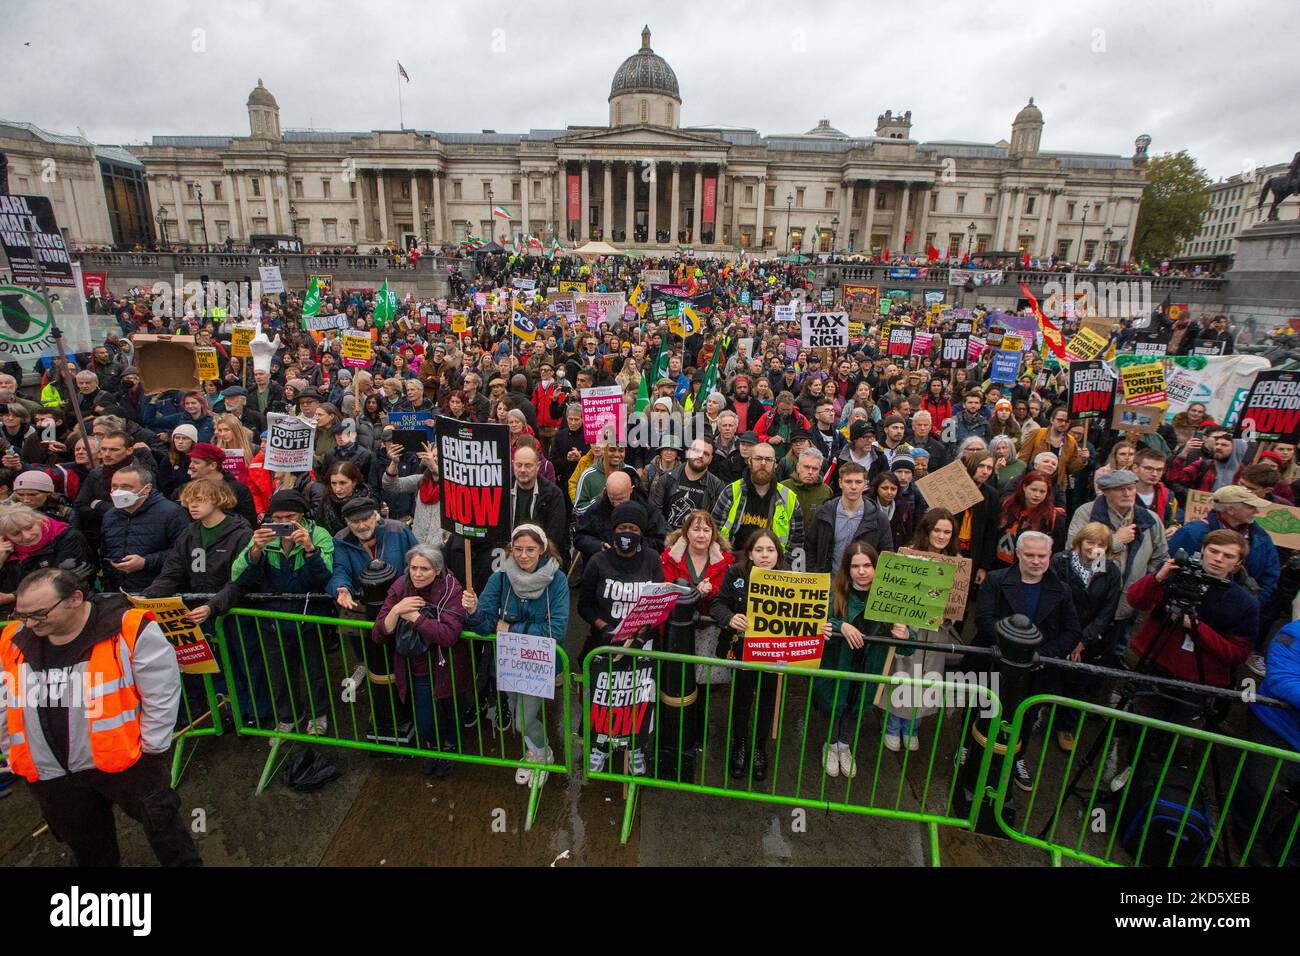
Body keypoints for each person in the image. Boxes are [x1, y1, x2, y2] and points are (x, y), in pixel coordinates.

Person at [0, 568, 202, 866]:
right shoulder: (12, 638)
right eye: (23, 614)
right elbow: (4, 699)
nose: (30, 623)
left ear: (75, 598)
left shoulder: (128, 629)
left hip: (127, 762)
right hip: (50, 772)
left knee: (164, 829)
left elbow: (161, 692)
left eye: (40, 614)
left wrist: (153, 747)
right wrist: (10, 748)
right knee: (88, 848)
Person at [976, 530, 1082, 790]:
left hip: (1038, 669)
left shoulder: (1062, 590)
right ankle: (969, 750)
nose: (1037, 561)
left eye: (1042, 556)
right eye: (1031, 555)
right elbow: (984, 619)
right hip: (998, 663)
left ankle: (1016, 759)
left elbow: (1072, 631)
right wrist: (1013, 651)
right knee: (982, 709)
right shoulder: (997, 580)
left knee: (1026, 716)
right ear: (1019, 554)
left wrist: (1042, 655)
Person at [462, 525, 569, 782]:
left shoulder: (557, 580)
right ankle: (533, 752)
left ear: (542, 549)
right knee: (513, 705)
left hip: (538, 665)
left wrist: (511, 627)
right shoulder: (500, 578)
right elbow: (485, 622)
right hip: (508, 663)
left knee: (522, 720)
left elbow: (557, 628)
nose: (523, 555)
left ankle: (545, 754)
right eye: (518, 549)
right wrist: (474, 611)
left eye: (530, 549)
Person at [230, 490, 335, 732]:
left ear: (302, 514)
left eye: (290, 515)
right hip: (273, 619)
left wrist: (309, 549)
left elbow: (323, 576)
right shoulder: (264, 537)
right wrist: (255, 550)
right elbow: (239, 576)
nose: (284, 522)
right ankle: (288, 717)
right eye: (277, 518)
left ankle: (318, 715)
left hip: (310, 617)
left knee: (314, 671)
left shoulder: (319, 535)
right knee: (278, 672)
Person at [579, 501, 665, 775]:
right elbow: (584, 605)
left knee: (637, 700)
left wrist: (640, 635)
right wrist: (605, 628)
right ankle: (601, 745)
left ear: (641, 532)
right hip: (605, 644)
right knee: (605, 699)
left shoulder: (652, 559)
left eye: (633, 528)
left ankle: (636, 747)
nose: (627, 533)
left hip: (641, 644)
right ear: (614, 530)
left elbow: (658, 603)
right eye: (622, 528)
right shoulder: (598, 561)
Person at [814, 541, 911, 776]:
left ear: (876, 567)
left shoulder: (889, 599)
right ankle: (830, 745)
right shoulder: (834, 594)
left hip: (869, 667)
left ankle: (844, 747)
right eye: (856, 566)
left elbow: (908, 648)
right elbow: (817, 621)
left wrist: (905, 635)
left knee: (855, 709)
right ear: (847, 569)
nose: (862, 571)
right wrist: (841, 626)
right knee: (834, 706)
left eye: (867, 565)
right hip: (838, 664)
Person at [373, 544, 468, 777]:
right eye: (413, 567)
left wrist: (415, 618)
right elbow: (378, 633)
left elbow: (448, 635)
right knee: (425, 720)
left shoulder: (451, 589)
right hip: (417, 670)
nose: (417, 574)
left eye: (424, 569)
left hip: (448, 667)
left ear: (437, 570)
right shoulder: (400, 586)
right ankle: (430, 750)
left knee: (451, 714)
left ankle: (449, 751)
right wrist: (396, 611)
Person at [708, 528, 787, 782]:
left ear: (778, 553)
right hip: (743, 651)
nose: (765, 555)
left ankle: (759, 748)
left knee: (767, 701)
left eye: (770, 550)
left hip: (775, 654)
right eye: (759, 550)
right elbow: (717, 604)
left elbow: (807, 613)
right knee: (742, 699)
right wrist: (730, 618)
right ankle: (740, 744)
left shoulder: (790, 579)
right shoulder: (736, 573)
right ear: (750, 553)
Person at [1066, 469, 1169, 650]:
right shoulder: (1087, 513)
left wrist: (1142, 586)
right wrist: (1115, 541)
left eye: (1130, 488)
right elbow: (1073, 553)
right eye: (1119, 489)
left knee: (1116, 647)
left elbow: (1160, 557)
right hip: (1089, 603)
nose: (1127, 493)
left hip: (1128, 603)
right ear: (1105, 492)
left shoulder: (1149, 519)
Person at [1048, 521, 1122, 739]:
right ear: (1079, 542)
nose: (1094, 548)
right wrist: (1068, 638)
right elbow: (1052, 599)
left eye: (1101, 544)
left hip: (1089, 639)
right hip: (1058, 632)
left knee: (1078, 684)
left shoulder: (1110, 572)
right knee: (1049, 678)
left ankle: (1065, 727)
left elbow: (1106, 612)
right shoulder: (1060, 562)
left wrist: (1083, 641)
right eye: (1090, 542)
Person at [1168, 484, 1279, 615]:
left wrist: (1252, 603)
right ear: (1231, 510)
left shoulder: (1260, 537)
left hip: (1235, 613)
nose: (1256, 511)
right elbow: (1171, 567)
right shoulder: (1194, 532)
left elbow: (1270, 575)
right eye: (1250, 507)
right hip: (1192, 609)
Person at [661, 510, 735, 685]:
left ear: (713, 533)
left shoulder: (726, 561)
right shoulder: (670, 557)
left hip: (709, 630)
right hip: (676, 630)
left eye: (706, 530)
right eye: (696, 529)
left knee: (703, 684)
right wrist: (690, 592)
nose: (701, 535)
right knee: (676, 681)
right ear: (686, 532)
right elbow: (663, 589)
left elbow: (730, 597)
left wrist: (712, 590)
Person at [100, 463, 190, 594]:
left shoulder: (171, 513)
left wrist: (146, 562)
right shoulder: (110, 515)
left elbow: (185, 553)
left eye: (126, 487)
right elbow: (105, 552)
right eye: (115, 486)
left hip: (159, 593)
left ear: (147, 488)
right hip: (118, 592)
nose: (118, 491)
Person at [711, 440, 805, 560]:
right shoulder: (731, 492)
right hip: (734, 564)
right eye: (758, 458)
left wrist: (783, 570)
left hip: (772, 567)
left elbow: (796, 543)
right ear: (749, 461)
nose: (763, 463)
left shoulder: (789, 498)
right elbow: (715, 532)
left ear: (775, 464)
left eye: (769, 459)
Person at [0, 503, 97, 609]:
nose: (27, 536)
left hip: (61, 606)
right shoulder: (6, 548)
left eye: (29, 527)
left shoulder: (68, 538)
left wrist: (14, 596)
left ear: (39, 520)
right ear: (6, 536)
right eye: (15, 533)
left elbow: (66, 580)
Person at [807, 461, 893, 573]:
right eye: (848, 482)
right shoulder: (823, 513)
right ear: (840, 483)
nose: (853, 487)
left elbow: (886, 554)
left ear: (865, 484)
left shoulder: (878, 518)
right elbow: (810, 548)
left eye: (858, 482)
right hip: (827, 583)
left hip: (862, 583)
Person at [992, 470, 1066, 569]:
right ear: (1024, 487)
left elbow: (1056, 550)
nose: (1037, 495)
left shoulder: (1053, 517)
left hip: (1031, 569)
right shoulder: (1006, 506)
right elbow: (991, 535)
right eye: (1033, 489)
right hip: (998, 566)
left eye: (1042, 491)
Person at [651, 437, 723, 529]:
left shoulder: (717, 486)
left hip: (699, 539)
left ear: (711, 458)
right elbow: (656, 514)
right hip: (667, 538)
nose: (700, 455)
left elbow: (715, 522)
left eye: (705, 453)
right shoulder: (666, 479)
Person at [183, 442, 258, 528]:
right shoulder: (186, 489)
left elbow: (250, 524)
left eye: (196, 462)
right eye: (191, 462)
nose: (190, 466)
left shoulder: (239, 490)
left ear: (212, 465)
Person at [1017, 404, 1088, 492]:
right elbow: (1022, 460)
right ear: (1051, 419)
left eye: (1067, 421)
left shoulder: (1071, 441)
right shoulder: (1037, 433)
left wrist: (1081, 460)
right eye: (1060, 420)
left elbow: (1070, 469)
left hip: (1056, 488)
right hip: (1034, 484)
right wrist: (1020, 482)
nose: (1063, 423)